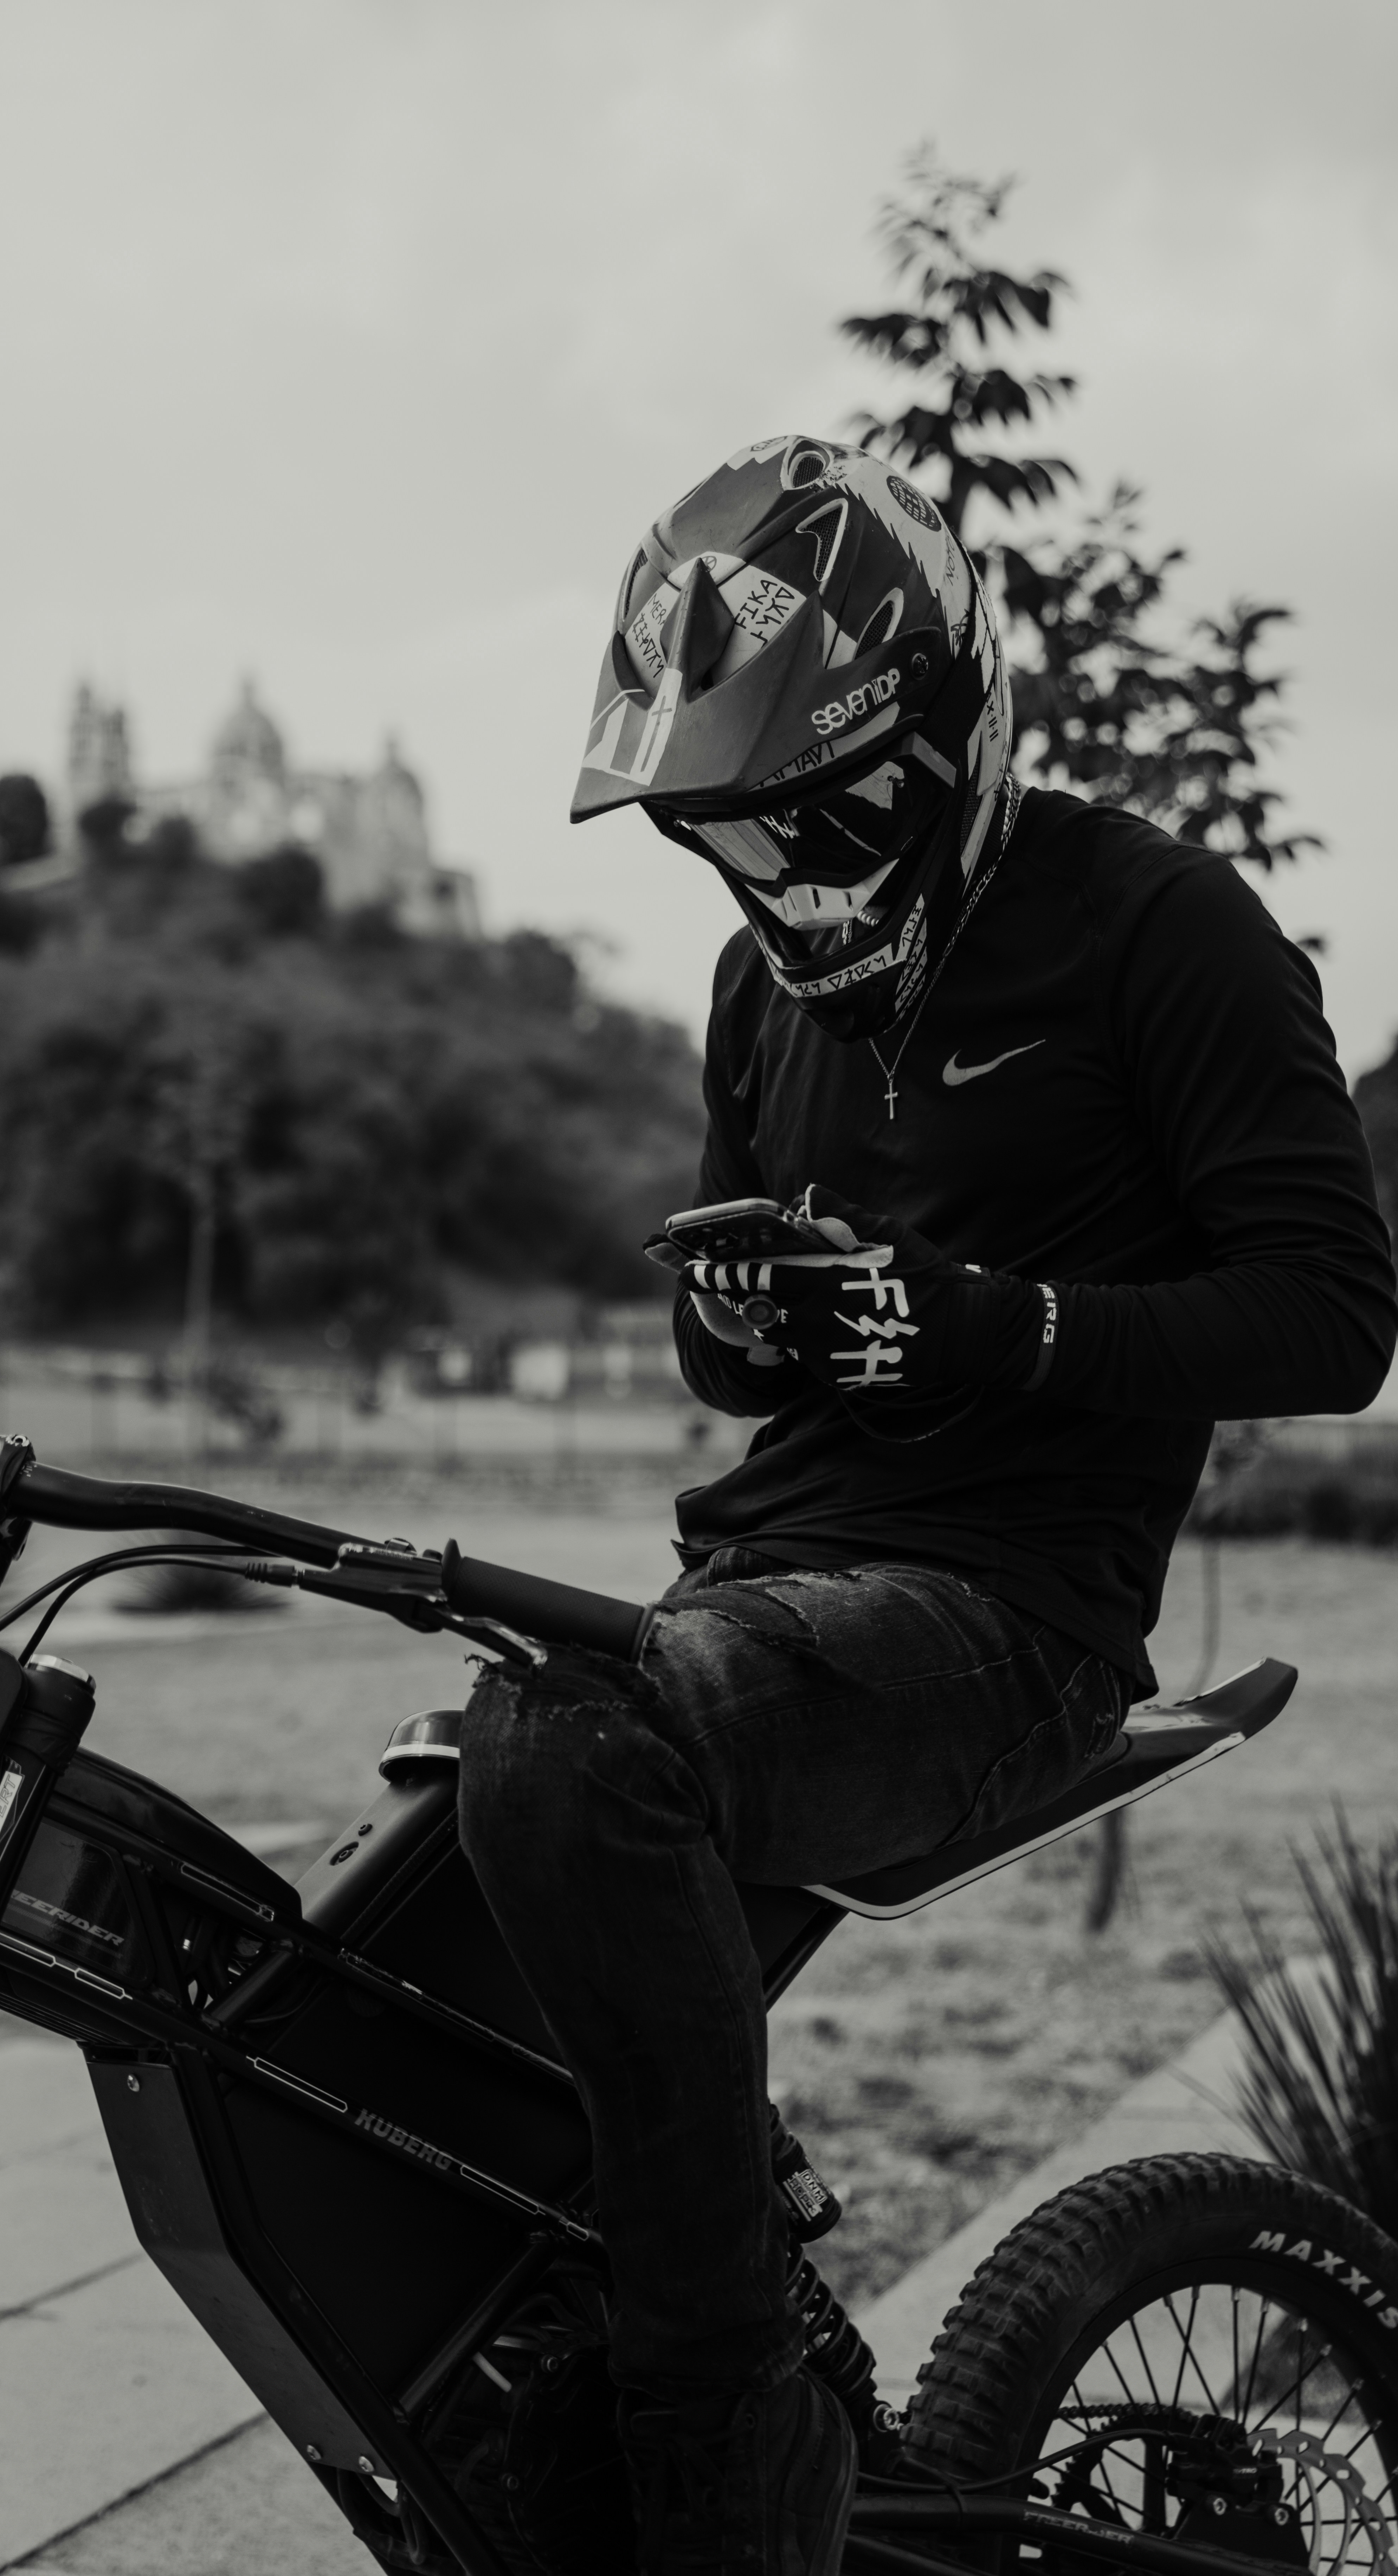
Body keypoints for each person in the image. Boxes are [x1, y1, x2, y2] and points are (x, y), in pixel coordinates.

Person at [455, 435, 1397, 2576]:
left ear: (952, 725)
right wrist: (753, 1323)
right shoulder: (752, 987)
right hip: (757, 1589)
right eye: (730, 840)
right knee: (387, 1931)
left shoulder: (1161, 922)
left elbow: (1332, 1320)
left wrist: (973, 1328)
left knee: (568, 1742)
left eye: (821, 816)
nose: (783, 877)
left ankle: (722, 2476)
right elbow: (758, 1370)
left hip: (1010, 1618)